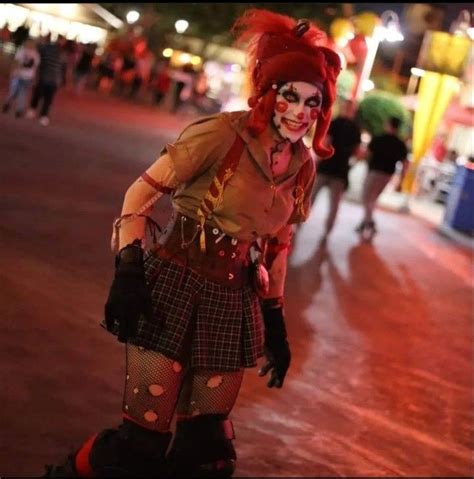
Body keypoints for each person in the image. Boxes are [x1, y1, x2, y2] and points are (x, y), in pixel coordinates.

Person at [44, 8, 340, 478]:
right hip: (173, 285)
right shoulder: (221, 134)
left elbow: (279, 245)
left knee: (208, 455)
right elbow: (139, 196)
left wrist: (275, 319)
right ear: (268, 94)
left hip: (232, 299)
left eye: (315, 103)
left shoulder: (302, 165)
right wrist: (127, 266)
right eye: (292, 97)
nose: (304, 113)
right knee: (137, 449)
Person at [310, 98, 361, 244]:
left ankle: (298, 223)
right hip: (341, 170)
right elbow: (358, 152)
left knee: (311, 197)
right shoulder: (356, 129)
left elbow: (326, 142)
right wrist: (350, 164)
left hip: (326, 166)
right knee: (334, 205)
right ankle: (326, 233)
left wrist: (317, 161)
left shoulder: (335, 122)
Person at [356, 116, 408, 239]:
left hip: (374, 171)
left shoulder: (379, 138)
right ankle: (365, 222)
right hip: (387, 175)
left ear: (388, 125)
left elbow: (367, 154)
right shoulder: (400, 143)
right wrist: (401, 179)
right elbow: (405, 163)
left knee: (366, 198)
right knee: (373, 199)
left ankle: (369, 222)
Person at [26, 33, 62, 126]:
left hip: (46, 77)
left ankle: (34, 111)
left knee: (40, 96)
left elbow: (35, 60)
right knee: (46, 99)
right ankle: (42, 115)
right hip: (51, 79)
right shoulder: (57, 51)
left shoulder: (44, 49)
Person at [2, 38, 40, 118]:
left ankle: (14, 108)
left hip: (22, 76)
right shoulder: (34, 54)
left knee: (16, 92)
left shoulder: (25, 52)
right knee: (18, 93)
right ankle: (14, 107)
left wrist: (13, 71)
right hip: (23, 76)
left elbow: (17, 62)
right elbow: (34, 67)